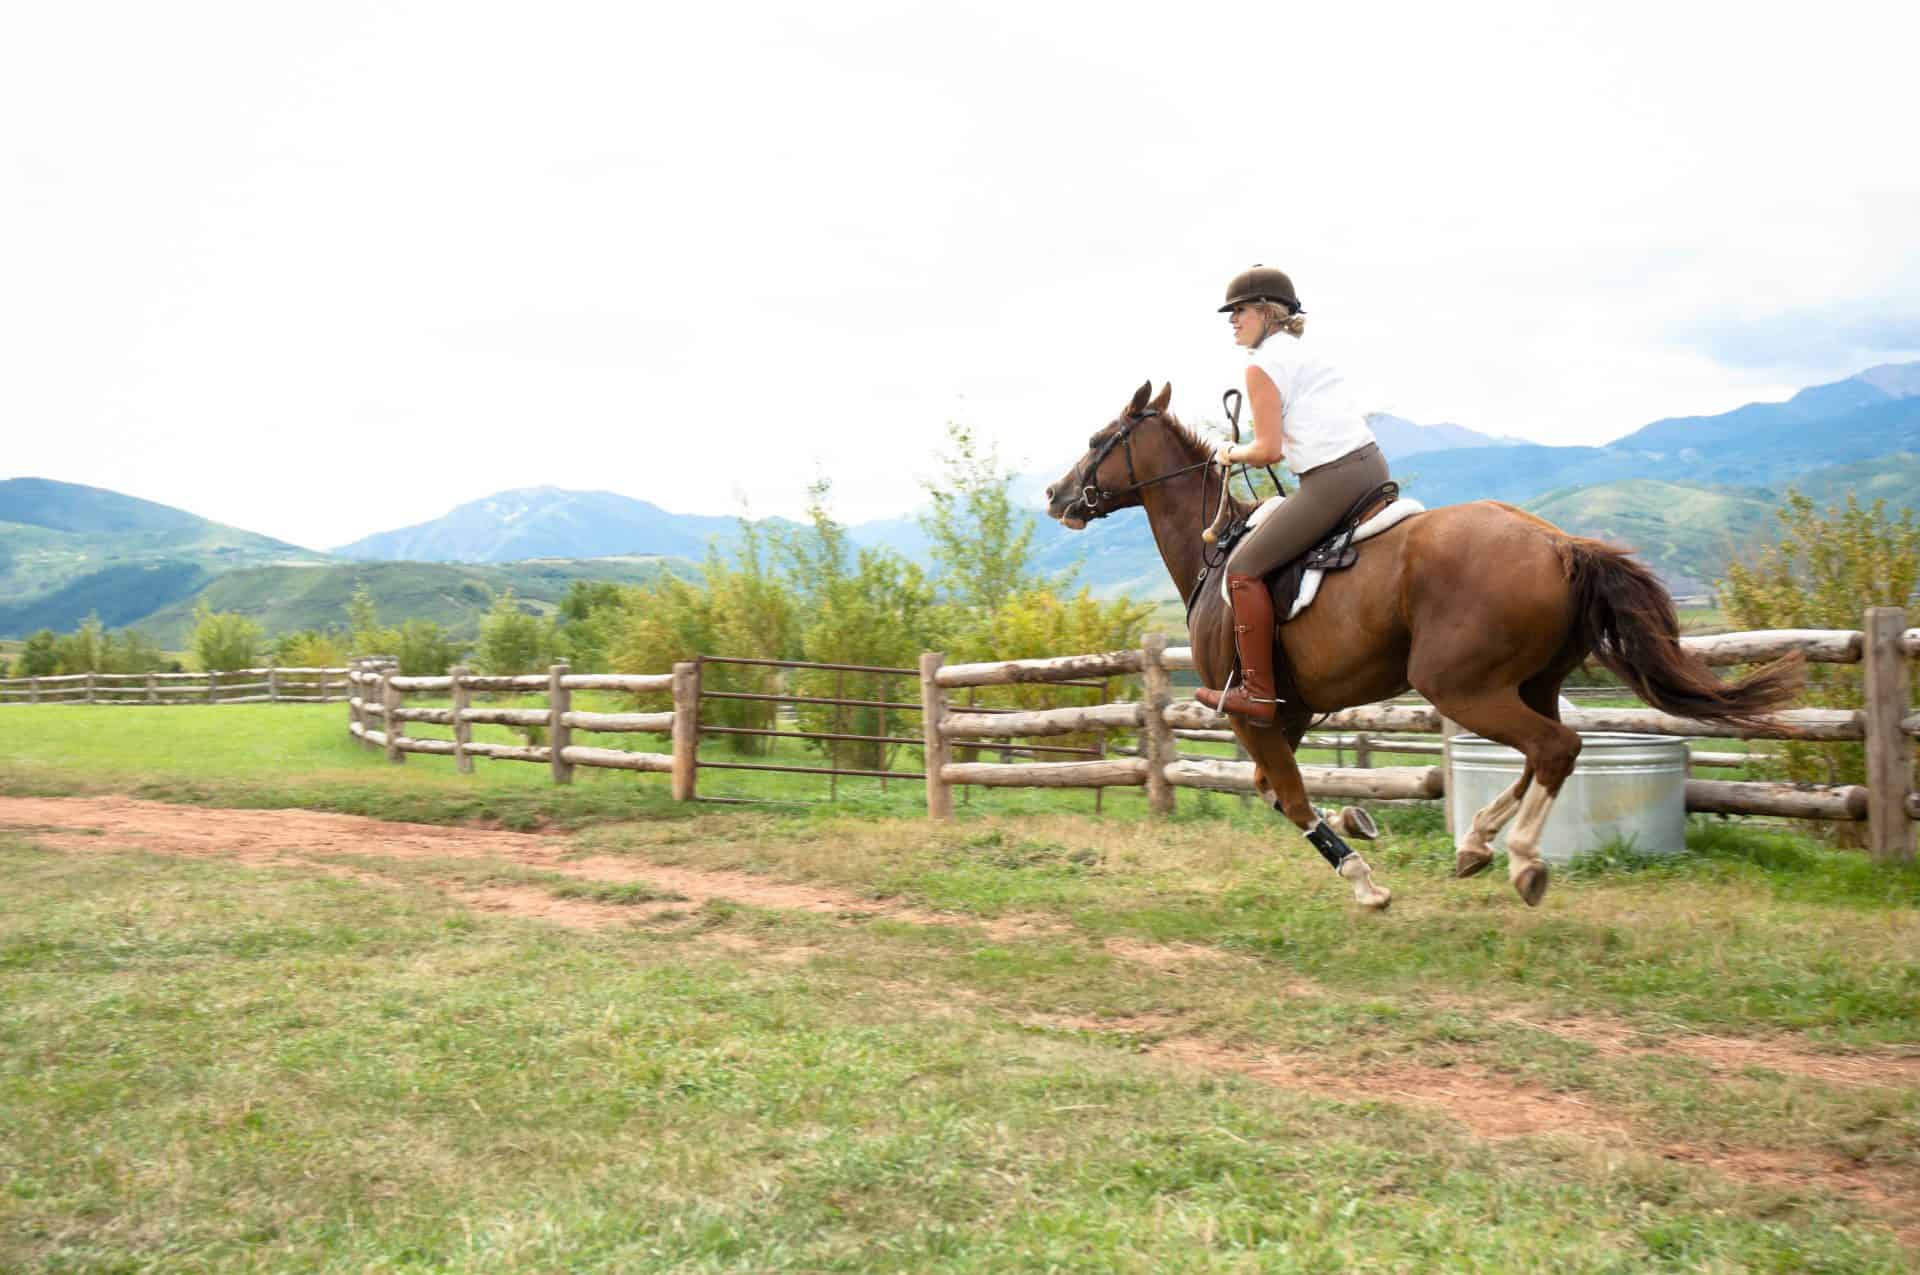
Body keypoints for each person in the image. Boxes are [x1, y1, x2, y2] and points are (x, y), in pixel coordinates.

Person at [1193, 265, 1390, 725]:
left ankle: (1258, 692)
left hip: (1332, 479)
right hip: (1370, 465)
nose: (1232, 321)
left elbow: (1268, 451)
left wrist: (1228, 452)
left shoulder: (1261, 365)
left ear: (1265, 312)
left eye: (1239, 311)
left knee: (1242, 569)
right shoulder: (1307, 356)